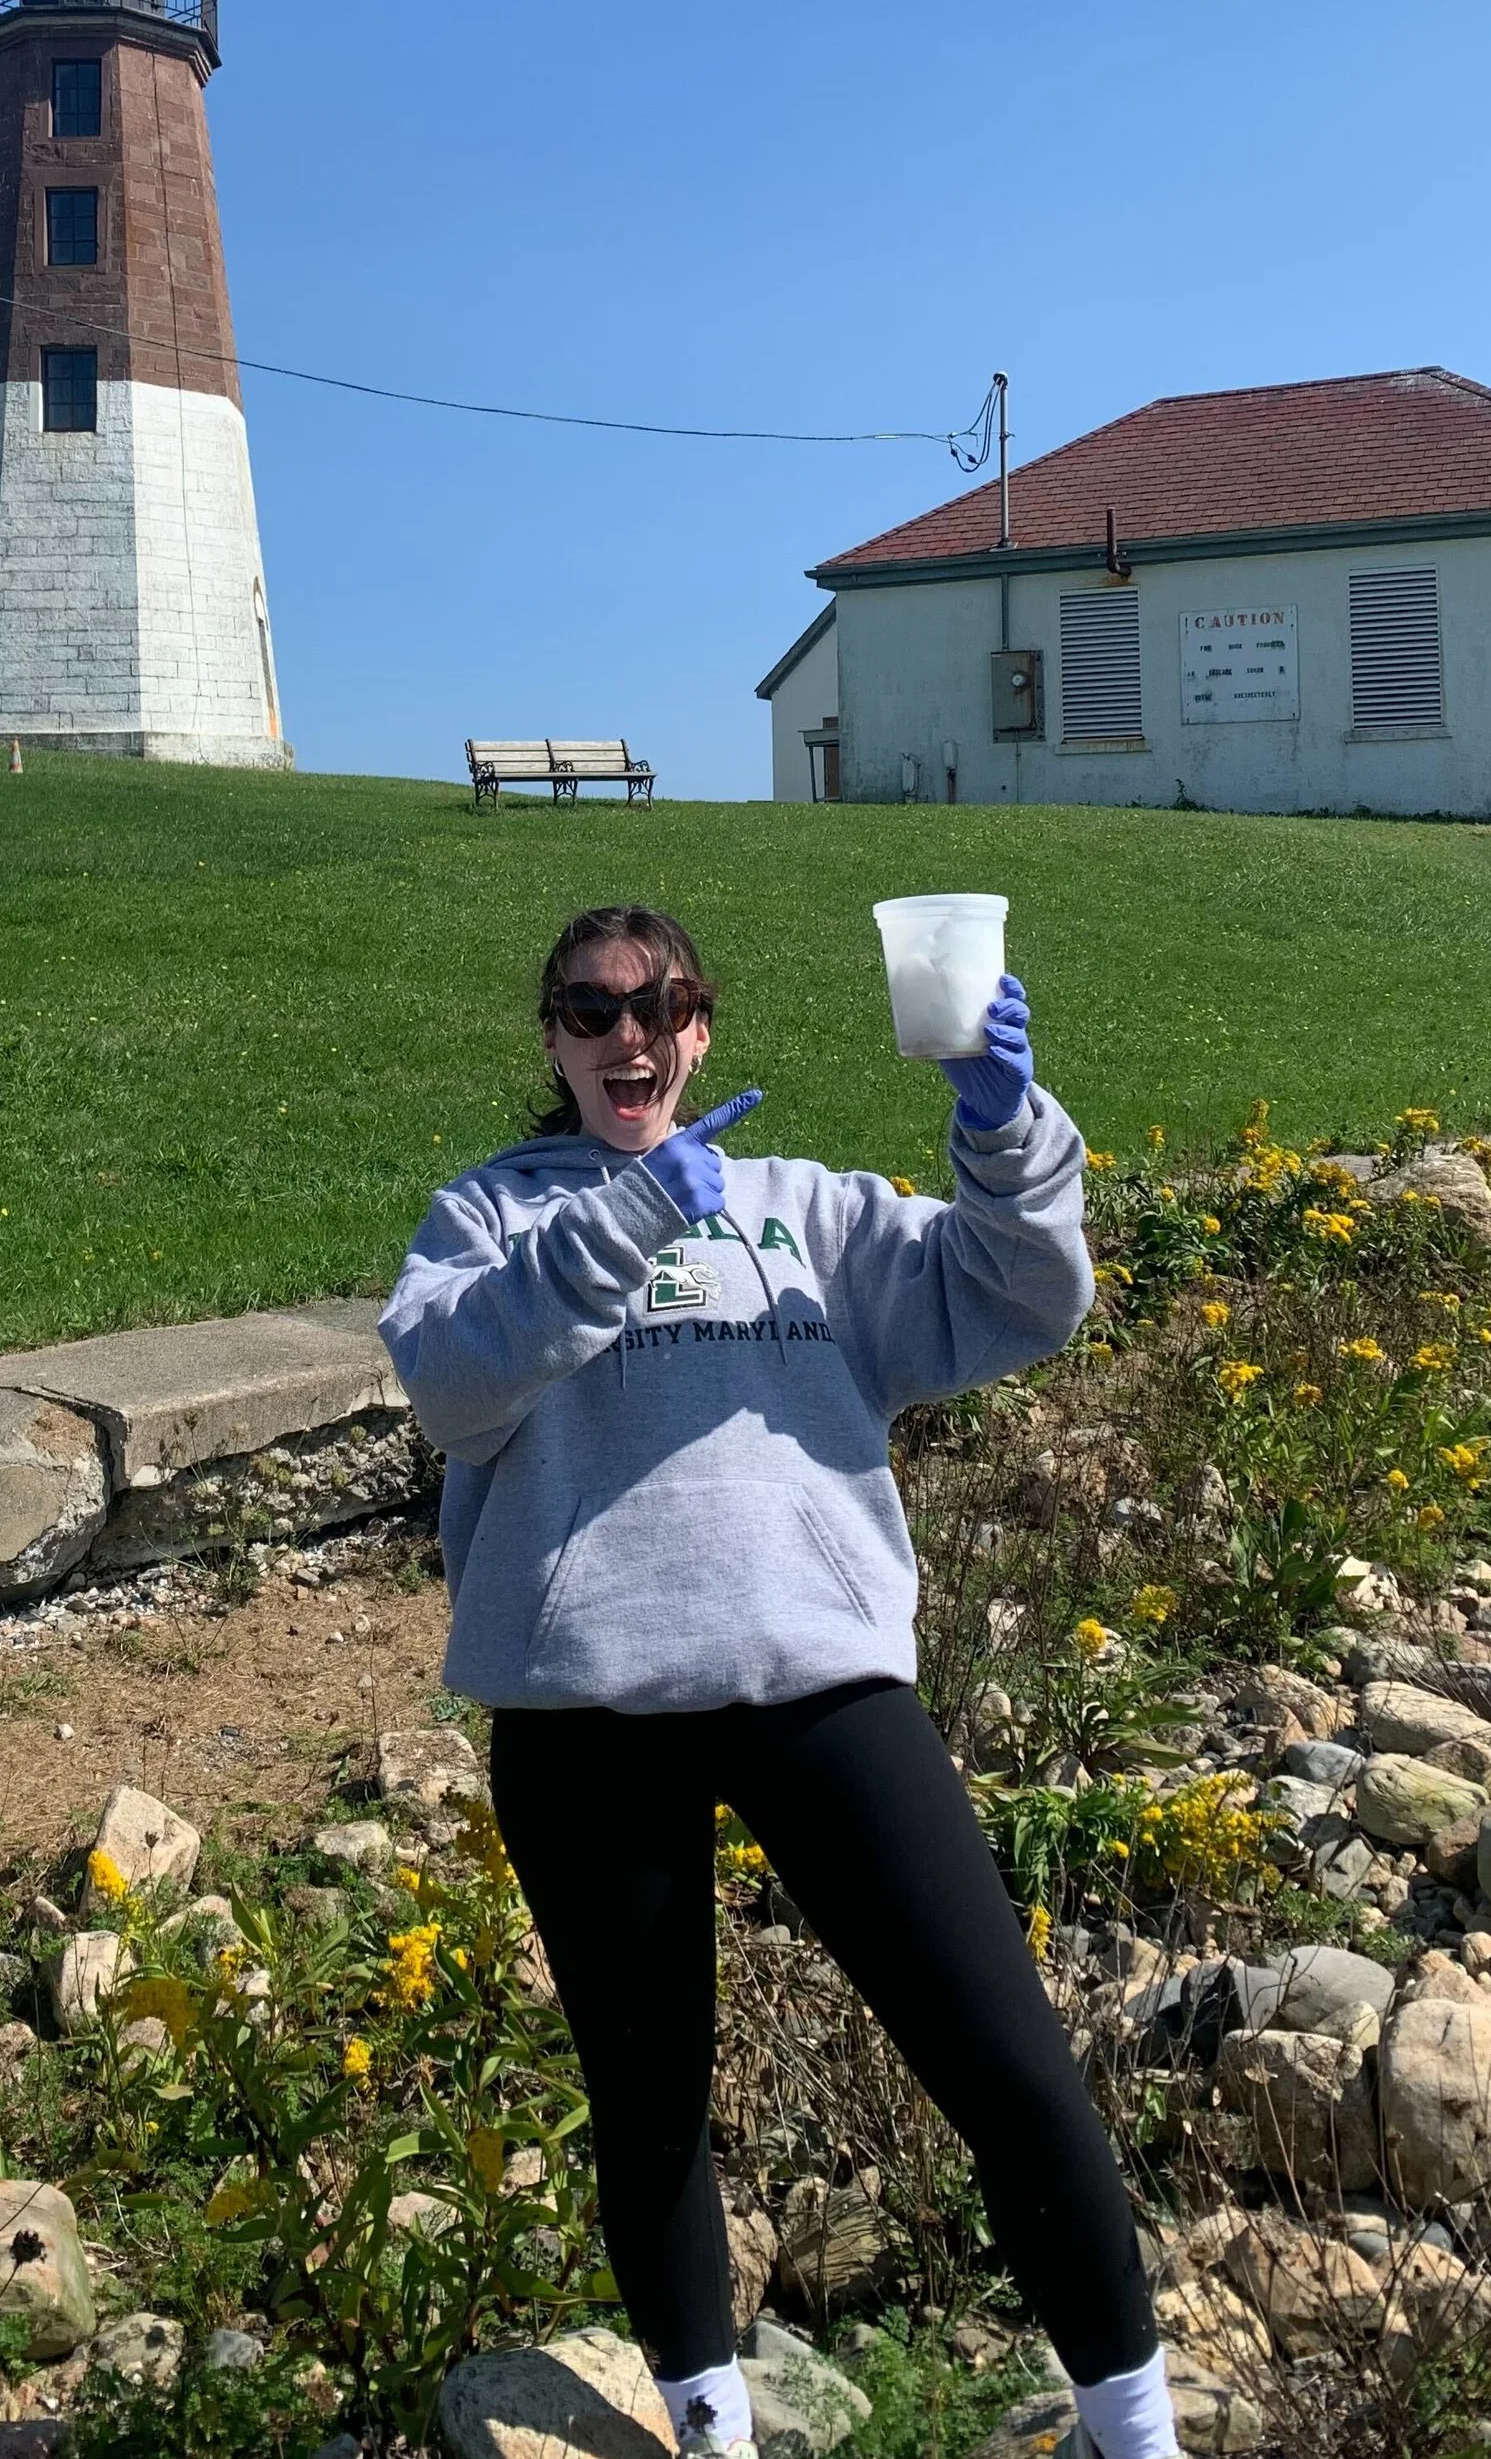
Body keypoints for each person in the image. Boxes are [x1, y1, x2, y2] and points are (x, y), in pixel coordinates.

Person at [380, 905, 1178, 2459]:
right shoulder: (485, 1216)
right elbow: (452, 1386)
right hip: (584, 1711)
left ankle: (1133, 2435)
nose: (629, 1035)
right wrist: (624, 1221)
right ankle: (713, 2431)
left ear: (701, 1029)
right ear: (551, 1038)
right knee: (653, 2108)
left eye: (661, 1004)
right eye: (591, 1009)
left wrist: (1006, 1133)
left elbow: (1022, 1299)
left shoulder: (805, 1206)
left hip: (820, 1687)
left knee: (1013, 2072)